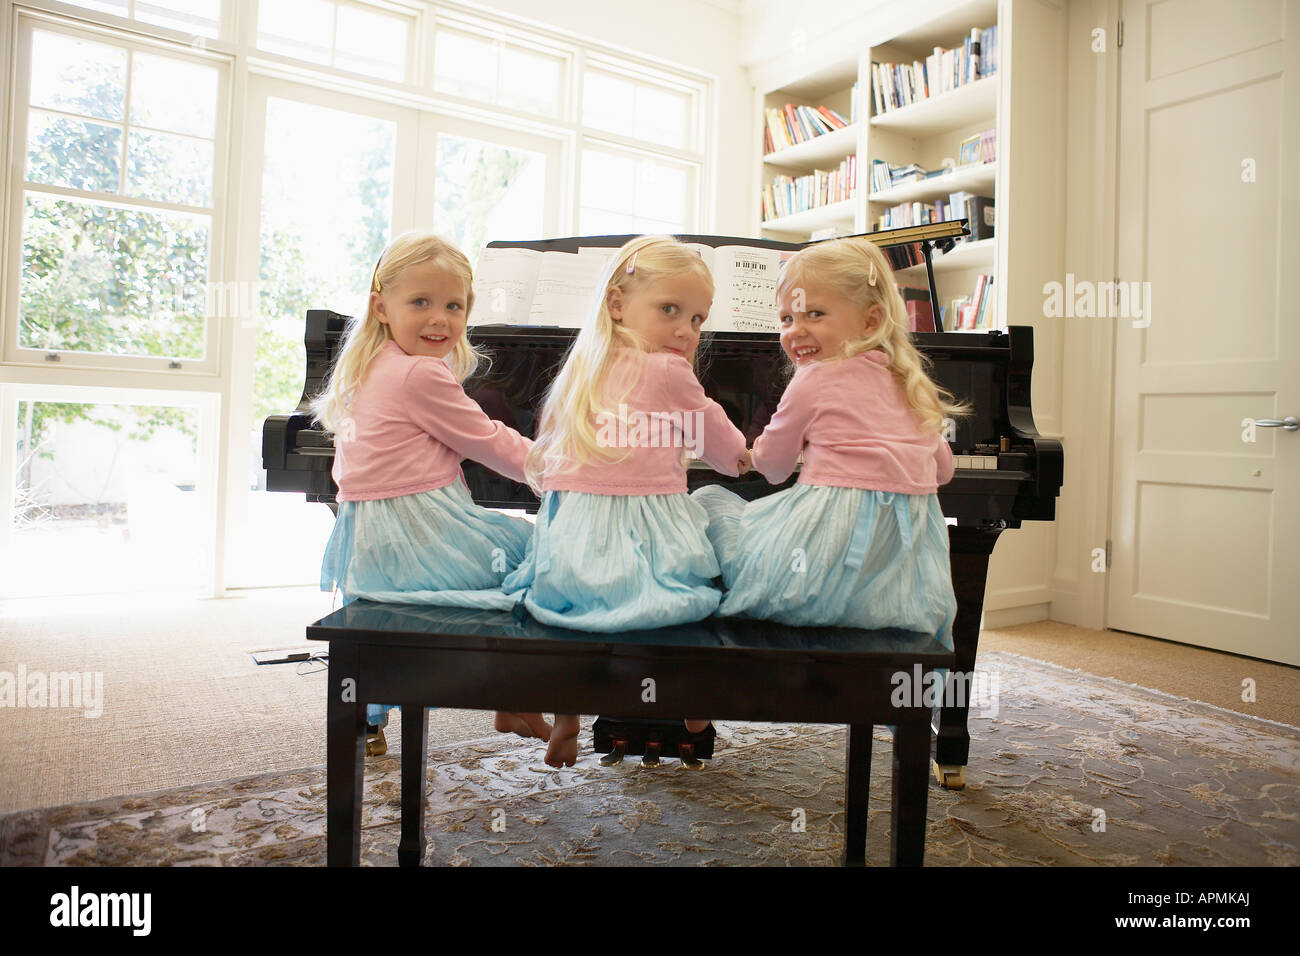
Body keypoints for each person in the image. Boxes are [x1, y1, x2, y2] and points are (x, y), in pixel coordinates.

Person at [500, 235, 750, 767]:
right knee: (718, 528)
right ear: (617, 304)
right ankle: (692, 700)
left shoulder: (582, 366)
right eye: (670, 310)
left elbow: (548, 451)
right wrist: (739, 458)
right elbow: (711, 429)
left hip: (571, 550)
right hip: (646, 547)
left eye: (698, 319)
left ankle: (568, 716)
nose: (685, 330)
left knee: (581, 617)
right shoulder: (669, 370)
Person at [312, 231, 550, 755]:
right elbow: (490, 441)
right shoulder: (420, 373)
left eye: (453, 305)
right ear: (381, 306)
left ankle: (491, 696)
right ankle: (516, 691)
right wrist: (562, 468)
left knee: (523, 561)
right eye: (421, 302)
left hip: (371, 543)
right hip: (422, 539)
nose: (439, 318)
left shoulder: (368, 366)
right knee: (542, 561)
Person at [693, 237, 963, 652]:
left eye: (814, 314)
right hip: (900, 592)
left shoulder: (815, 377)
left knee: (708, 503)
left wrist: (755, 452)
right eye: (785, 319)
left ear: (871, 321)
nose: (795, 331)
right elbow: (943, 471)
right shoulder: (909, 384)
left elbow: (775, 467)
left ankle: (693, 664)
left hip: (816, 581)